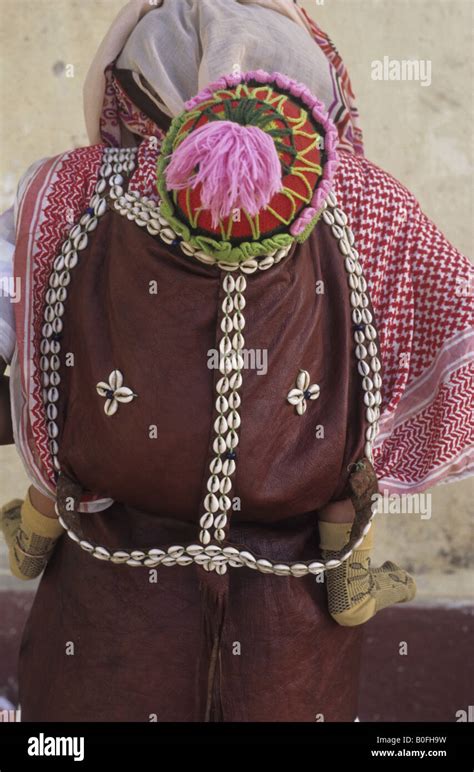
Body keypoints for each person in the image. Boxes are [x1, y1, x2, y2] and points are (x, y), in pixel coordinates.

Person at [0, 0, 471, 722]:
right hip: (292, 628)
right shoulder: (366, 202)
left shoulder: (62, 190)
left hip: (106, 609)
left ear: (127, 82)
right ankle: (351, 557)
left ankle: (32, 521)